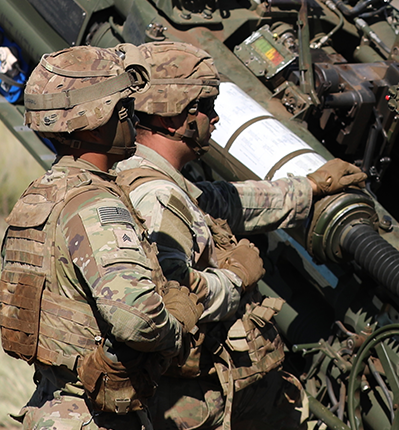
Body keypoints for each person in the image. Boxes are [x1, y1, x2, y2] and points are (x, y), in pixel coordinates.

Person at [111, 41, 367, 430]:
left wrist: (311, 186)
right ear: (171, 120)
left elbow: (225, 200)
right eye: (207, 109)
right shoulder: (157, 197)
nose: (215, 120)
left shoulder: (148, 174)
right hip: (189, 401)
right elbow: (165, 304)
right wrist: (236, 277)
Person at [0, 45, 203, 430]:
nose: (132, 118)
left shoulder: (40, 196)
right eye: (123, 108)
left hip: (50, 407)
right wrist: (177, 324)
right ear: (94, 124)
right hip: (95, 414)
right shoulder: (94, 206)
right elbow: (135, 319)